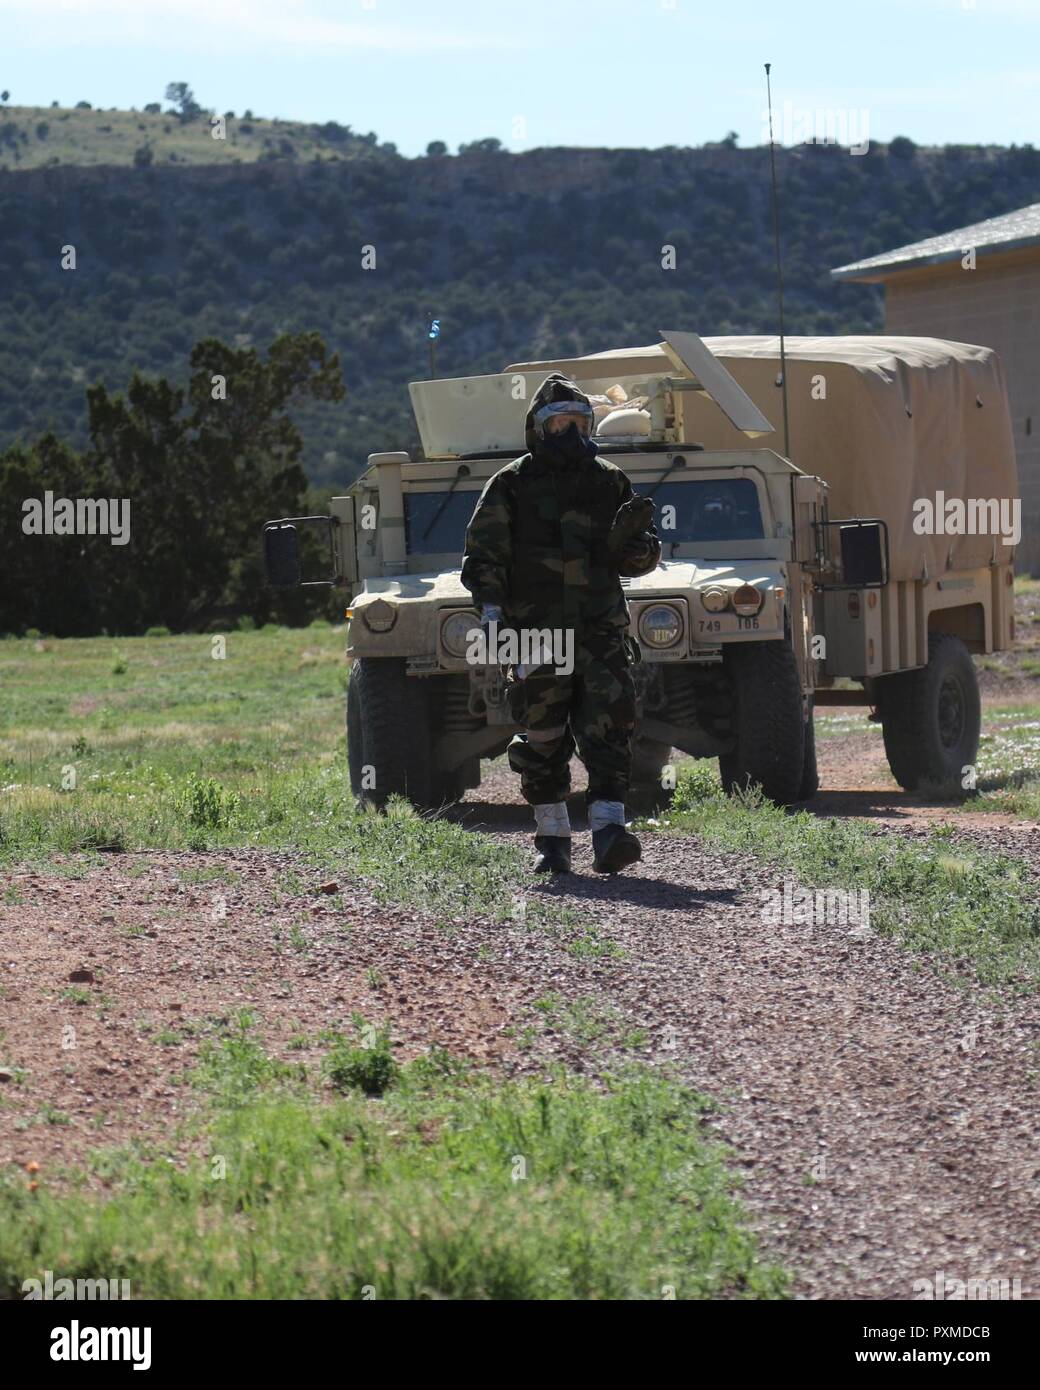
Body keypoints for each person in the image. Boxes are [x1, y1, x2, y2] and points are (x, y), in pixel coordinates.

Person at [461, 371, 661, 874]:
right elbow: (483, 555)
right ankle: (552, 838)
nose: (570, 432)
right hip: (535, 634)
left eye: (579, 421)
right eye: (559, 423)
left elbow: (641, 556)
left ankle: (610, 831)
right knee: (542, 736)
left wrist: (638, 549)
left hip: (599, 630)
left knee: (611, 727)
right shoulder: (510, 484)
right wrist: (489, 611)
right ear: (538, 429)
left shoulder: (609, 480)